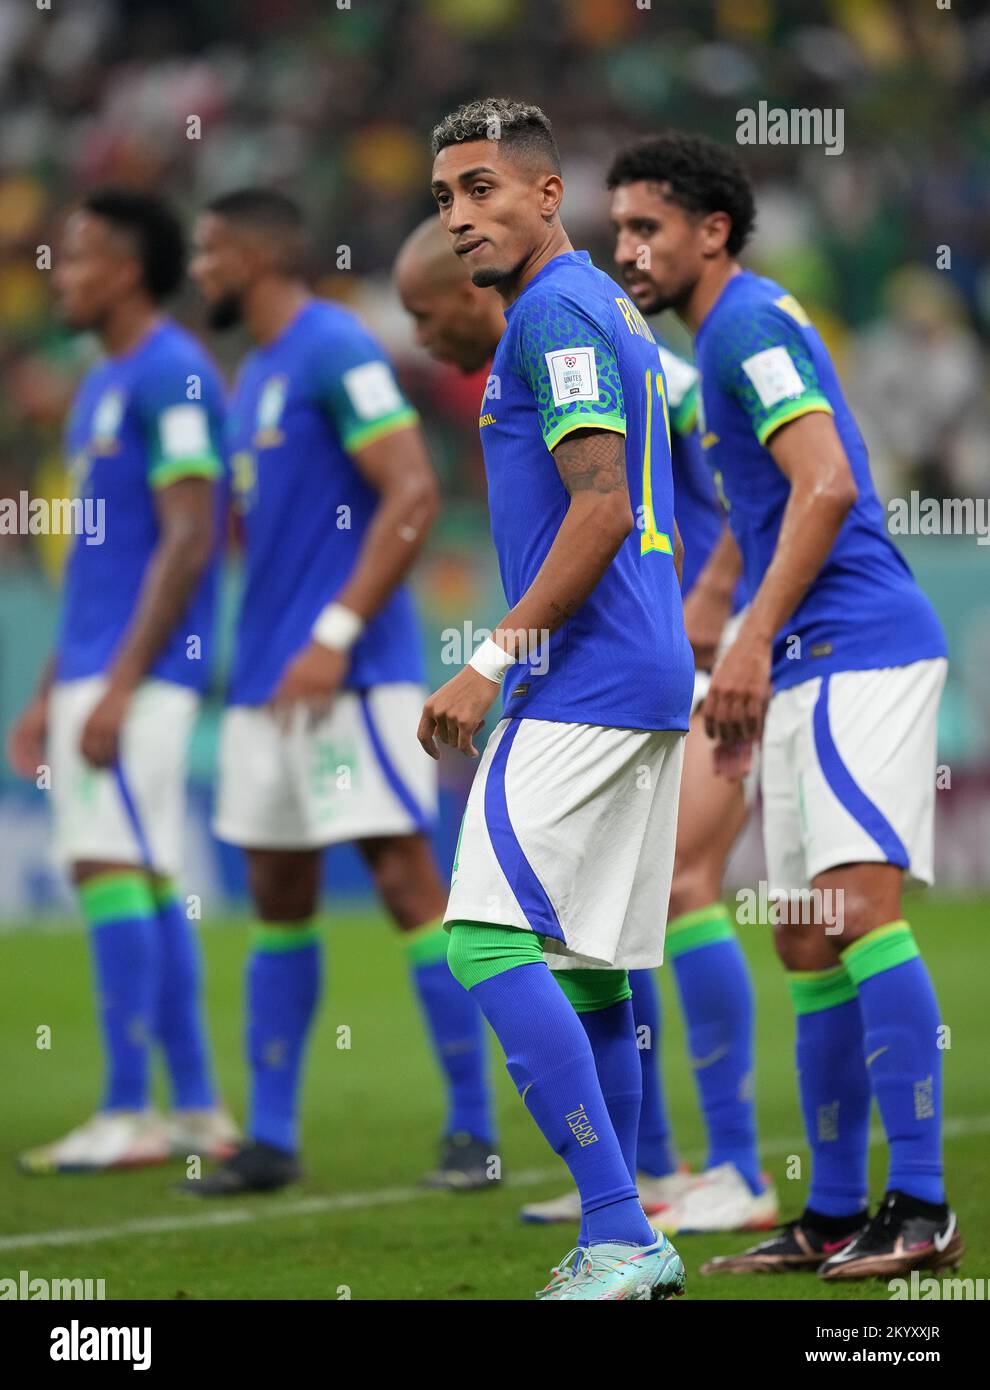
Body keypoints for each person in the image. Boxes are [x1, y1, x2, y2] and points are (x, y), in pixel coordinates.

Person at [605, 132, 963, 1280]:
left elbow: (828, 483)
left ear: (713, 231)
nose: (627, 250)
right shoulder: (720, 344)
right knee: (806, 938)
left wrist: (749, 638)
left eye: (647, 227)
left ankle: (923, 1206)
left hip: (858, 648)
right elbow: (755, 516)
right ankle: (832, 1211)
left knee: (859, 913)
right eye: (617, 230)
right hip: (808, 660)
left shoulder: (747, 327)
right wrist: (724, 619)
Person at [421, 98, 693, 1300]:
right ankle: (625, 1233)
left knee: (483, 935)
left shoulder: (558, 311)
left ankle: (625, 1230)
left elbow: (600, 505)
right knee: (587, 967)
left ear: (547, 194)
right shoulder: (595, 311)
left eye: (483, 189)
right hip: (634, 666)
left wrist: (491, 659)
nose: (461, 216)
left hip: (581, 672)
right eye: (443, 199)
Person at [184, 188, 496, 1195]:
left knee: (406, 880)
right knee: (278, 897)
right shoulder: (254, 375)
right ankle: (270, 1137)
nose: (199, 271)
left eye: (210, 252)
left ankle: (474, 1130)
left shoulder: (333, 349)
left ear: (257, 256)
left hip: (347, 677)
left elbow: (412, 489)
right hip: (268, 684)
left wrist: (332, 635)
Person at [8, 190, 236, 1173]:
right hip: (99, 666)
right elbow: (99, 567)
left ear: (132, 269)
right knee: (139, 875)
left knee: (109, 870)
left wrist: (118, 683)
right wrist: (54, 684)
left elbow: (191, 533)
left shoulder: (174, 374)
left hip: (139, 675)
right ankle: (193, 1110)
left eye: (83, 256)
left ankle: (126, 1108)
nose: (62, 272)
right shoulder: (101, 385)